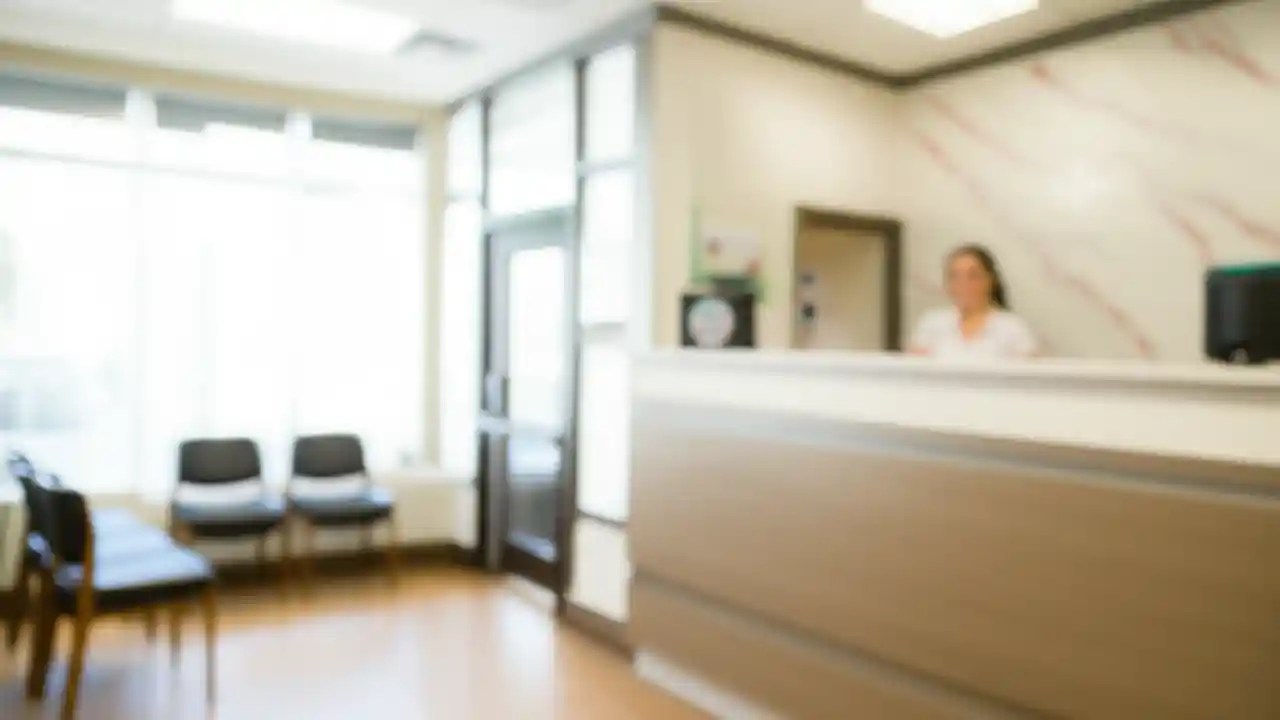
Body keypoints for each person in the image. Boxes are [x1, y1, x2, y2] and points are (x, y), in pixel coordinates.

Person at [910, 244, 1038, 360]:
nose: (963, 284)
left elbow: (1027, 378)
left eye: (973, 276)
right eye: (954, 276)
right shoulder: (931, 323)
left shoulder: (1013, 328)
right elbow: (915, 372)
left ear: (991, 280)